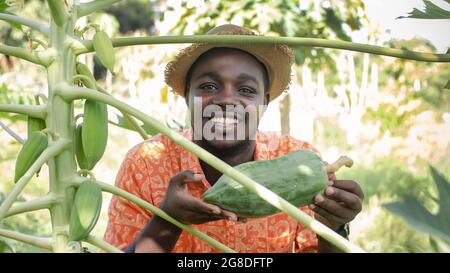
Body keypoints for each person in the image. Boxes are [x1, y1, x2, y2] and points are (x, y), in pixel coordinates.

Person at [104, 24, 364, 253]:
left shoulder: (299, 162)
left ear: (264, 103)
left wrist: (334, 228)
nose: (227, 100)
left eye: (246, 90)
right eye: (208, 86)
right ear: (187, 97)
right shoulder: (146, 165)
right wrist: (168, 221)